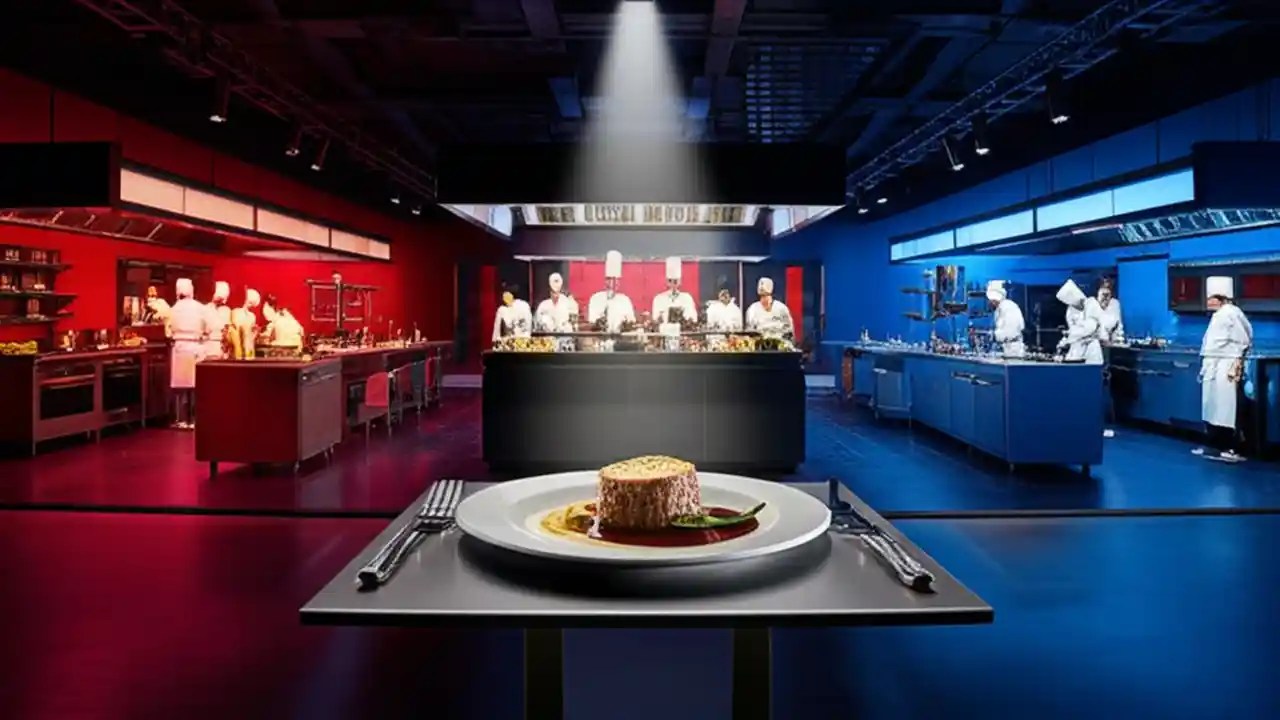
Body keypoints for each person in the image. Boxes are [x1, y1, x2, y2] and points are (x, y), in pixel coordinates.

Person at [1193, 276, 1254, 462]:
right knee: (1213, 407)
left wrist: (1236, 362)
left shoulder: (1231, 313)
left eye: (1212, 298)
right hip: (1214, 366)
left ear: (1222, 298)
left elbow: (1243, 340)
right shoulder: (1218, 315)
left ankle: (1232, 447)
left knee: (1227, 408)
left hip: (1226, 366)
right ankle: (1215, 445)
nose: (1208, 302)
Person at [167, 278, 211, 429]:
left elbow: (168, 330)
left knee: (179, 388)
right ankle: (194, 419)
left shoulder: (173, 309)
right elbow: (209, 327)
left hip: (179, 348)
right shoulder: (200, 308)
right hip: (195, 347)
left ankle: (180, 419)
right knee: (194, 386)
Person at [1055, 279, 1104, 365]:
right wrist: (1066, 339)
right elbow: (1072, 328)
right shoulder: (1070, 310)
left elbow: (1089, 328)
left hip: (1091, 348)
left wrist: (1070, 335)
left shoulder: (1091, 304)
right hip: (1077, 348)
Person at [587, 250, 636, 333]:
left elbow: (631, 322)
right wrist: (599, 323)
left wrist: (627, 324)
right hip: (600, 339)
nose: (612, 283)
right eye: (609, 280)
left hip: (620, 340)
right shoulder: (596, 299)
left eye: (616, 280)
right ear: (605, 281)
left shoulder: (625, 300)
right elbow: (592, 323)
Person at [652, 257, 698, 327]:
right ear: (667, 281)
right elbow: (655, 319)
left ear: (680, 281)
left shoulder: (687, 297)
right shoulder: (659, 298)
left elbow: (693, 318)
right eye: (670, 281)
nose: (673, 284)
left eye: (675, 281)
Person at [987, 280, 1025, 358]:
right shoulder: (998, 309)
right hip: (1006, 348)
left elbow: (1011, 332)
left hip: (1014, 350)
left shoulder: (1009, 307)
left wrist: (994, 335)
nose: (990, 302)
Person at [229, 288, 260, 360]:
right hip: (239, 346)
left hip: (248, 346)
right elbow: (235, 332)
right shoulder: (236, 312)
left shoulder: (251, 316)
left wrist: (255, 333)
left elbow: (251, 336)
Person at [204, 281, 232, 360]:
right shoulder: (205, 309)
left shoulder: (226, 311)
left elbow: (227, 331)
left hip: (222, 350)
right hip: (208, 348)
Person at [1096, 278, 1124, 345]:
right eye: (1103, 294)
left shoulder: (1115, 304)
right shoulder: (1091, 304)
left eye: (1108, 294)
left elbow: (1118, 326)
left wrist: (1116, 341)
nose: (1105, 297)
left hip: (1111, 345)